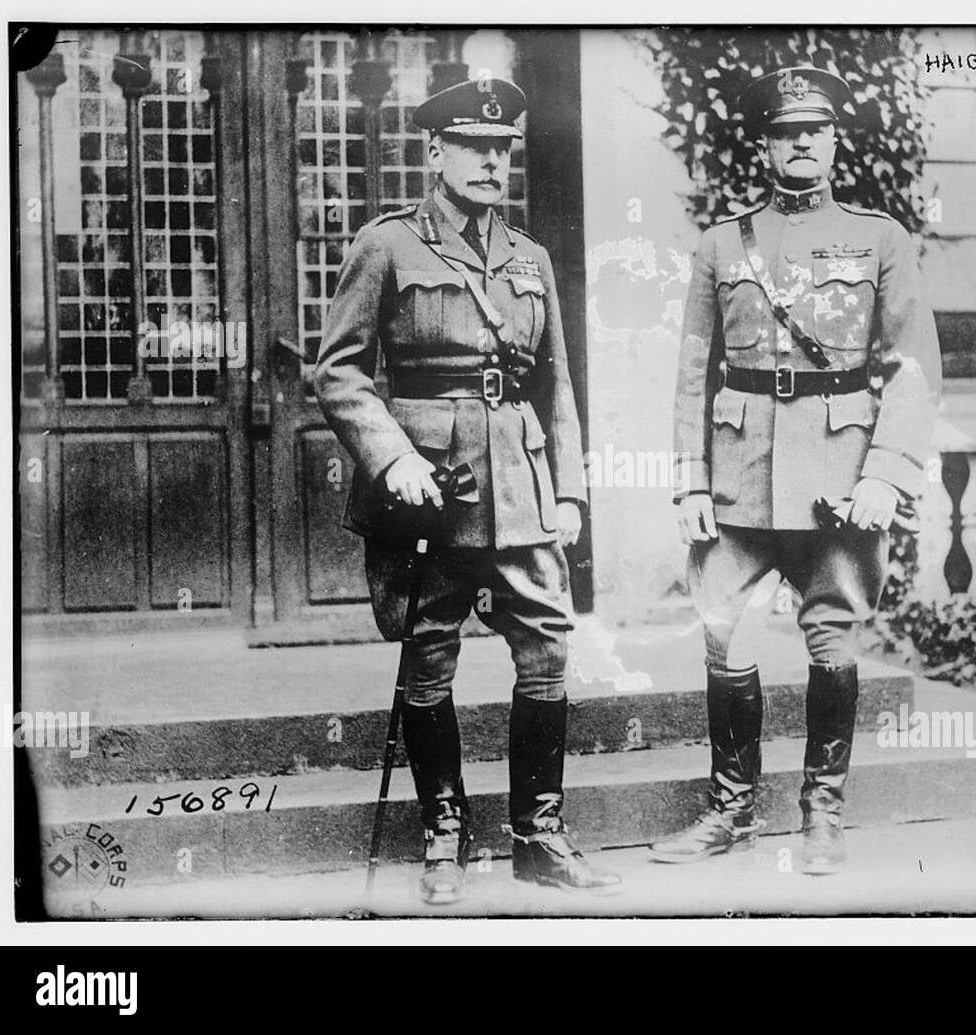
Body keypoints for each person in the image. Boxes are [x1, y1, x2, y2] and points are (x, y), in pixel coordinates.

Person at [314, 76, 621, 902]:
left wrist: (571, 492)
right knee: (429, 656)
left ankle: (539, 834)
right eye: (475, 148)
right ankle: (443, 835)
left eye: (502, 150)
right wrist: (389, 456)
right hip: (431, 487)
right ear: (436, 151)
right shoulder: (388, 245)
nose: (491, 162)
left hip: (521, 483)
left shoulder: (531, 258)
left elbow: (557, 385)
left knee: (548, 648)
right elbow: (337, 370)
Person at [653, 65, 941, 873]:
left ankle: (823, 813)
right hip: (739, 474)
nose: (802, 141)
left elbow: (913, 369)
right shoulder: (720, 245)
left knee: (832, 642)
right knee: (724, 634)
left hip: (841, 480)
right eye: (786, 131)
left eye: (815, 129)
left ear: (835, 140)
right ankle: (729, 809)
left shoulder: (882, 238)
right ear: (767, 145)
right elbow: (690, 370)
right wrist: (688, 479)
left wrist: (887, 473)